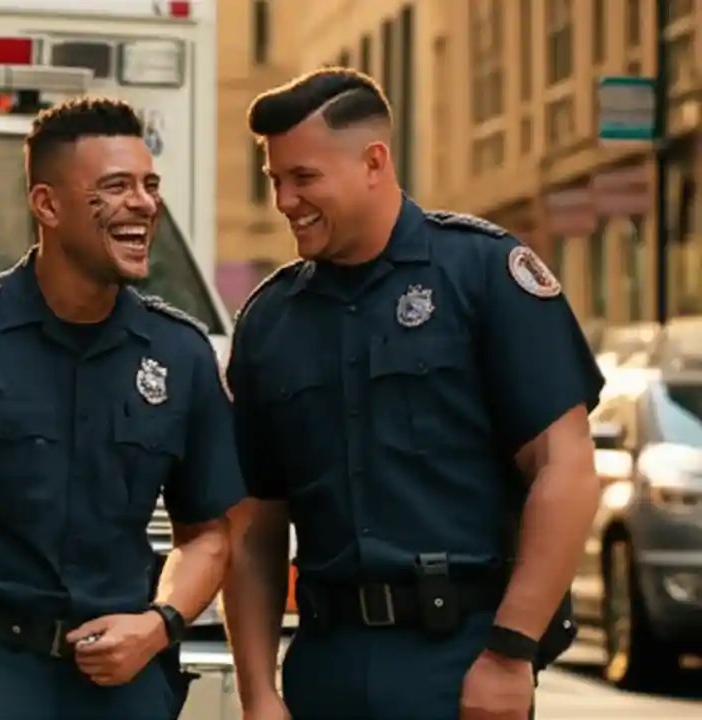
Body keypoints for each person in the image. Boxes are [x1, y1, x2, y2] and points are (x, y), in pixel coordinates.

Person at [221, 68, 605, 720]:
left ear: (374, 162)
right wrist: (258, 690)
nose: (285, 200)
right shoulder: (269, 320)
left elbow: (565, 467)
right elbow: (256, 527)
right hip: (324, 663)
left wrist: (511, 653)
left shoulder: (483, 275)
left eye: (304, 178)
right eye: (275, 181)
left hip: (458, 663)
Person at [0, 97, 245, 720]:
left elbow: (206, 536)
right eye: (116, 186)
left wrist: (158, 623)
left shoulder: (182, 354)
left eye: (150, 185)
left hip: (124, 683)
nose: (144, 203)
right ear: (47, 204)